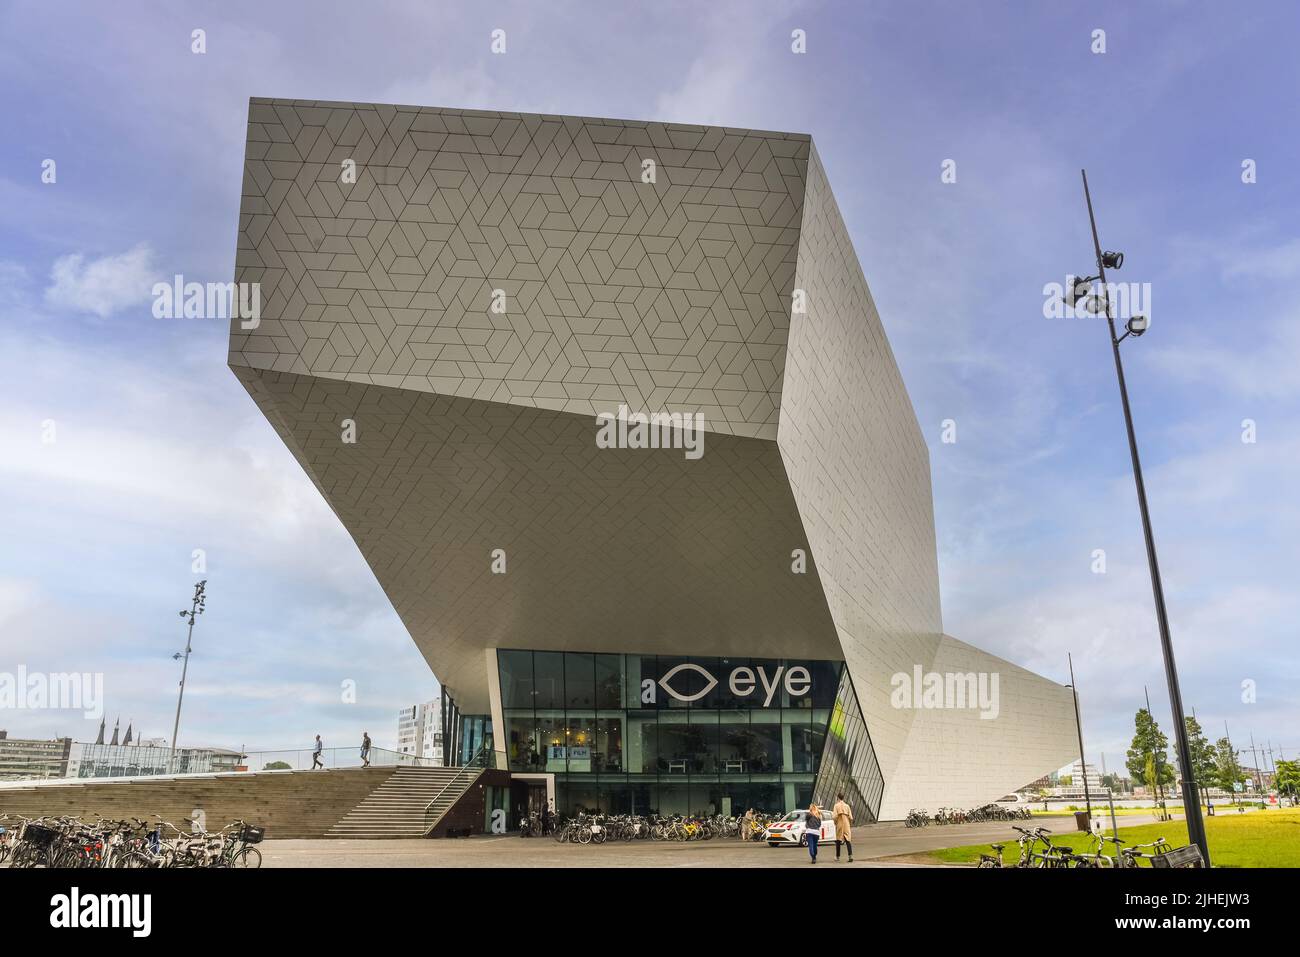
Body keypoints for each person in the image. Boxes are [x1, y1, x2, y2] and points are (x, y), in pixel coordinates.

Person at [832, 792, 854, 862]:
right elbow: (851, 817)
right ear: (843, 798)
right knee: (848, 840)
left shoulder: (836, 806)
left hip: (840, 823)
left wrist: (835, 823)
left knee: (838, 840)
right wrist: (849, 823)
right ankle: (850, 856)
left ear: (838, 798)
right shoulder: (847, 806)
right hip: (846, 824)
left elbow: (834, 816)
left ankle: (838, 857)